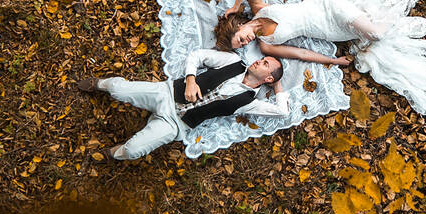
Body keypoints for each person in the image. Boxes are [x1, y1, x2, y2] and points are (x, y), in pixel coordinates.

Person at [212, 0, 426, 122]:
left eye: (241, 38)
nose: (246, 43)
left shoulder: (258, 9)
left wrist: (235, 5)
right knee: (376, 35)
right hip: (329, 30)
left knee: (376, 33)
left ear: (240, 25)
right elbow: (301, 54)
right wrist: (332, 61)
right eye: (242, 46)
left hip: (327, 6)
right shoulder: (267, 45)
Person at [76, 49, 287, 161]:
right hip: (167, 94)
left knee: (132, 151)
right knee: (118, 90)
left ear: (268, 79)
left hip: (176, 123)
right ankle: (99, 83)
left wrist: (278, 85)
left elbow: (282, 111)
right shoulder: (233, 61)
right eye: (262, 59)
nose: (259, 61)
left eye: (265, 64)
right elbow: (197, 55)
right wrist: (191, 79)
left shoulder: (250, 102)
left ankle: (112, 154)